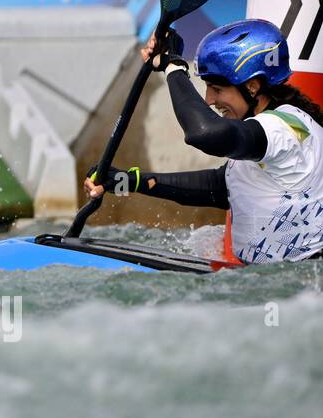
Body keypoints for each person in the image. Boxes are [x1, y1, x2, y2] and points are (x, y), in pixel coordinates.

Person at [84, 19, 323, 263]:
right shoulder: (264, 135)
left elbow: (205, 133)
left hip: (302, 285)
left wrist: (174, 68)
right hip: (278, 282)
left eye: (216, 89)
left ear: (252, 87)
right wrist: (129, 181)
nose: (209, 99)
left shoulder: (287, 129)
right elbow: (221, 188)